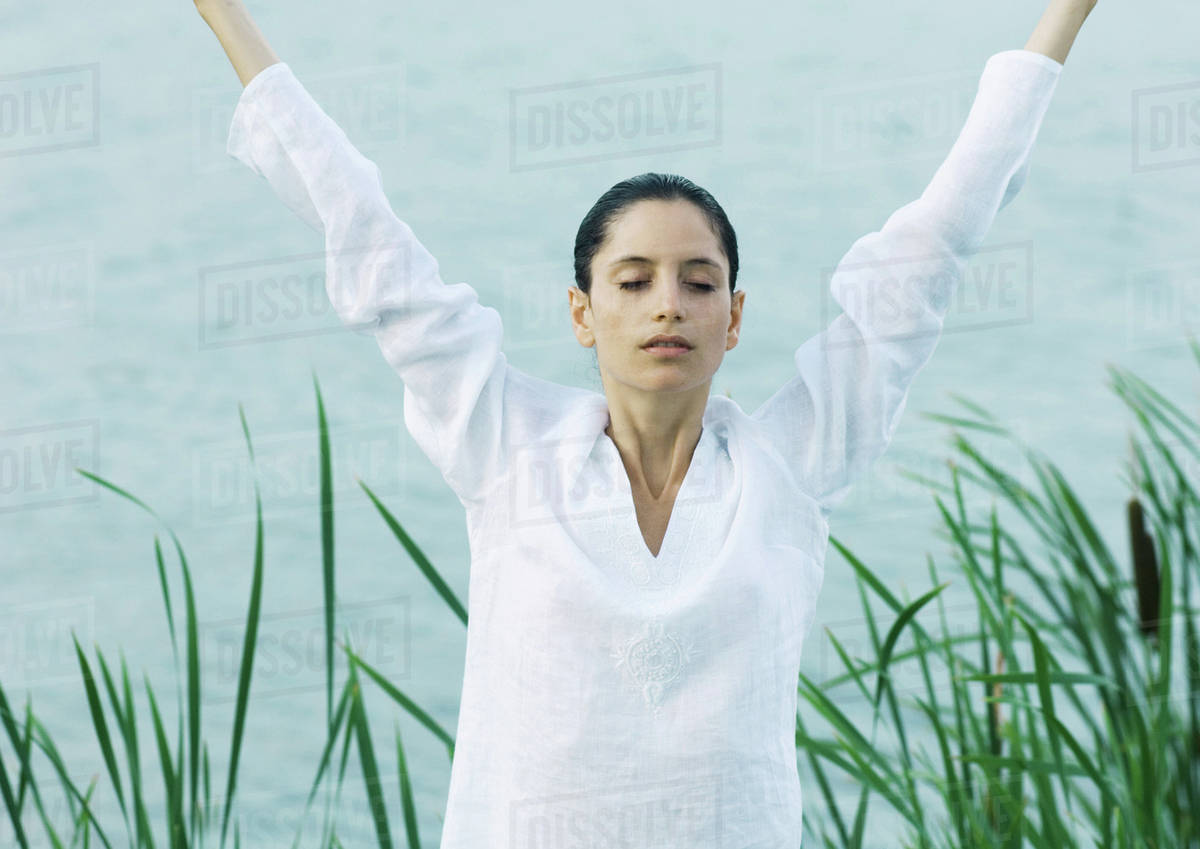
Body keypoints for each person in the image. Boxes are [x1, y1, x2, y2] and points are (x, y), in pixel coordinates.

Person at [196, 1, 1098, 845]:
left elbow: (929, 250)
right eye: (633, 281)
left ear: (734, 317)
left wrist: (1068, 12)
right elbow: (367, 237)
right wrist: (221, 12)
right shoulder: (506, 445)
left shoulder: (790, 460)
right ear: (584, 313)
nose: (668, 304)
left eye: (698, 281)